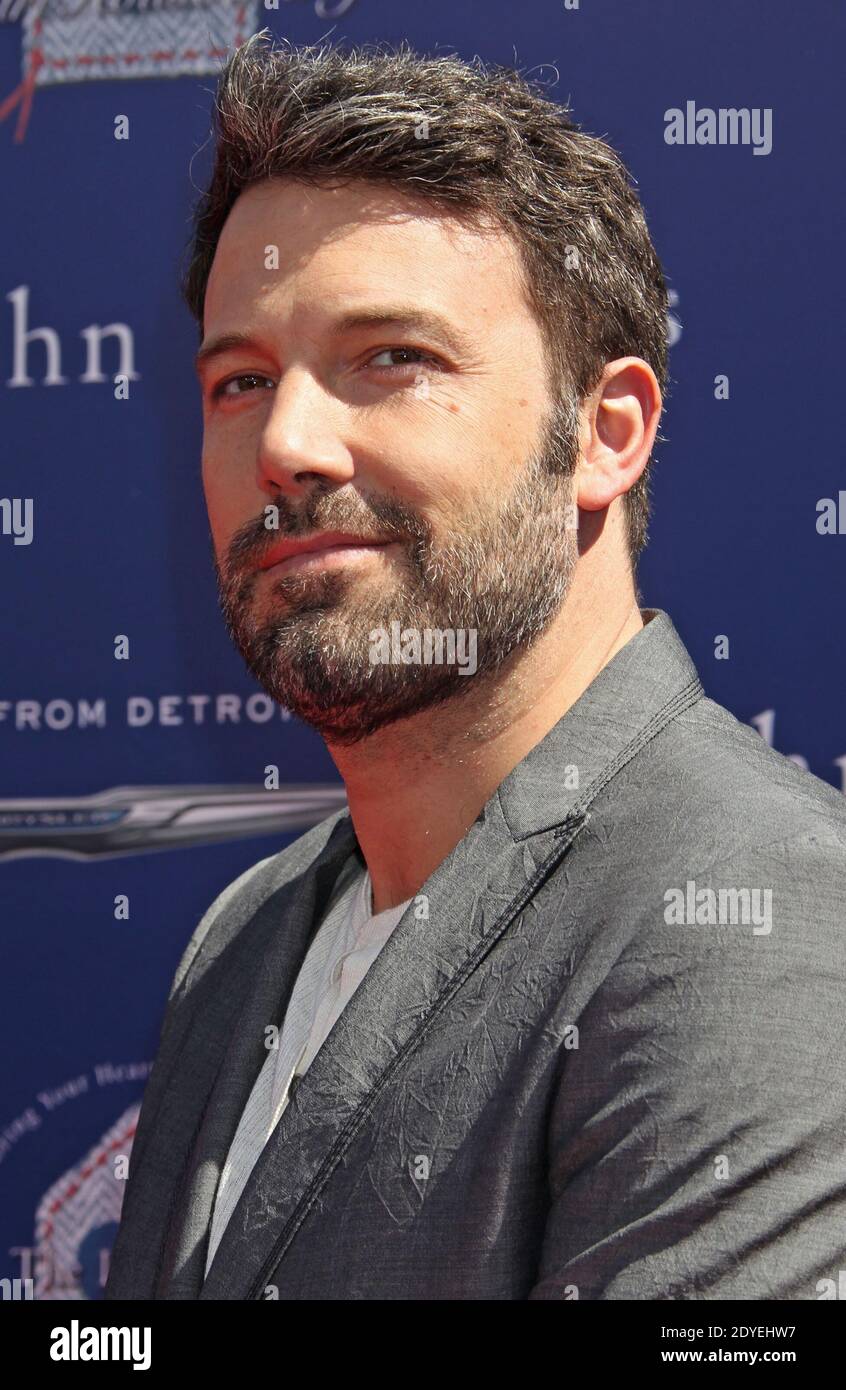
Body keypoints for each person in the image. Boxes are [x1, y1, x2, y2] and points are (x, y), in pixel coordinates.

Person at [105, 33, 846, 1301]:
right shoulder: (246, 936)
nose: (288, 443)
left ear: (603, 436)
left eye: (390, 358)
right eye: (239, 382)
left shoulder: (759, 918)